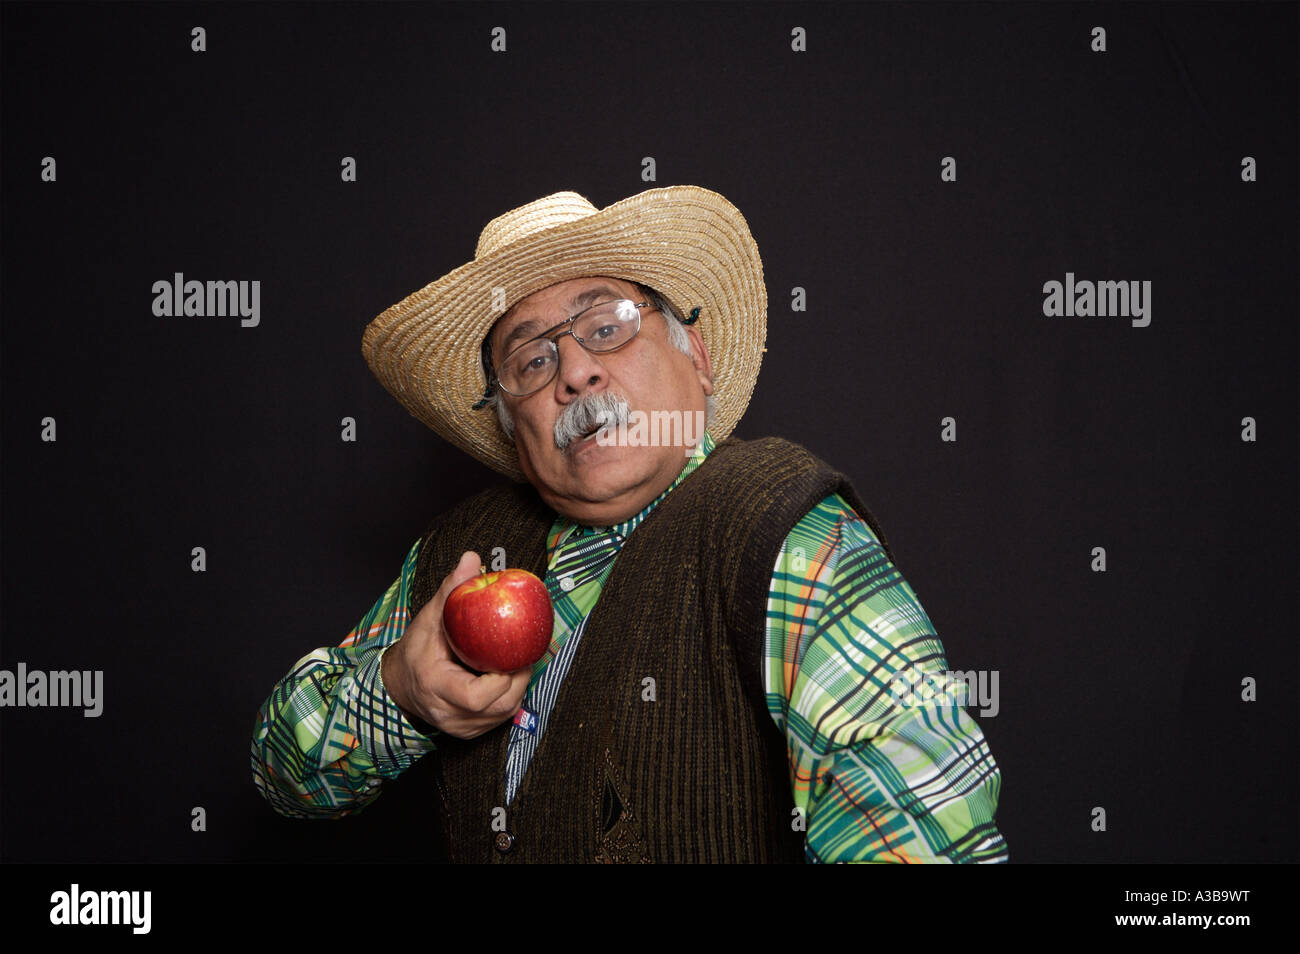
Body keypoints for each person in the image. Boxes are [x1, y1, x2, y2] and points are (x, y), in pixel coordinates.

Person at [250, 185, 1009, 863]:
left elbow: (921, 826)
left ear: (698, 358)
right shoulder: (460, 558)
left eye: (607, 326)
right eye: (531, 362)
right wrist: (400, 692)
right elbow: (280, 775)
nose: (574, 371)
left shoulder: (786, 539)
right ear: (513, 424)